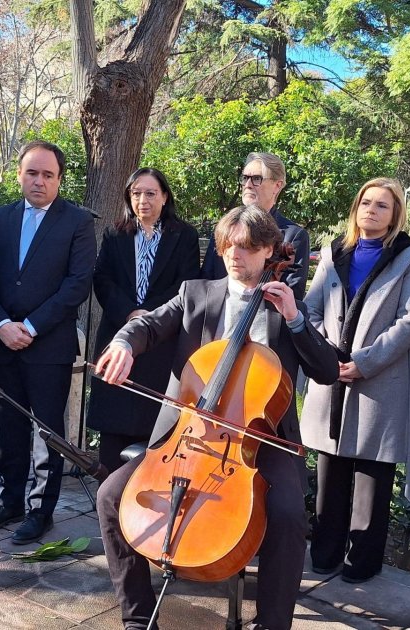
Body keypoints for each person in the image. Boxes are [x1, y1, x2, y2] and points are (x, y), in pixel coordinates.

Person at [93, 205, 339, 630]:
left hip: (262, 440)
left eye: (245, 248)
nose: (234, 256)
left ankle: (273, 623)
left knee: (287, 513)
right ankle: (137, 616)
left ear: (268, 251)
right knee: (112, 496)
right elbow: (149, 326)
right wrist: (122, 344)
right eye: (228, 246)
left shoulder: (285, 305)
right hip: (188, 437)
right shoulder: (196, 294)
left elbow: (327, 370)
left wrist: (295, 318)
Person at [300, 178, 410, 583]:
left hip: (379, 380)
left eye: (382, 206)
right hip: (330, 376)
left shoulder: (409, 258)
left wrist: (363, 361)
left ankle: (363, 562)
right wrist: (325, 356)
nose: (371, 210)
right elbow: (311, 309)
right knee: (330, 468)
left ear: (395, 216)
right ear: (356, 208)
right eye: (366, 202)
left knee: (371, 475)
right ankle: (325, 552)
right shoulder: (332, 253)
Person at [0, 140, 96, 545]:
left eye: (47, 174)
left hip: (49, 345)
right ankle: (9, 501)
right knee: (7, 427)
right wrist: (2, 323)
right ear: (19, 174)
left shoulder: (77, 221)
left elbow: (77, 284)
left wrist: (31, 325)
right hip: (4, 340)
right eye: (32, 173)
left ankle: (41, 510)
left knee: (47, 431)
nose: (39, 181)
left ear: (60, 179)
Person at [86, 167, 199, 472]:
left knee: (153, 431)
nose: (142, 200)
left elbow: (186, 285)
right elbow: (103, 279)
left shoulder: (183, 235)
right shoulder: (115, 233)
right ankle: (107, 501)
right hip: (119, 334)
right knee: (114, 430)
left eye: (150, 193)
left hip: (161, 341)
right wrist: (129, 313)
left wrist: (150, 314)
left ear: (164, 196)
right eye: (136, 193)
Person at [199, 152, 310, 299]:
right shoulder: (225, 227)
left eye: (256, 179)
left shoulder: (294, 236)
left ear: (277, 186)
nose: (247, 185)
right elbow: (206, 279)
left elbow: (292, 296)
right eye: (245, 178)